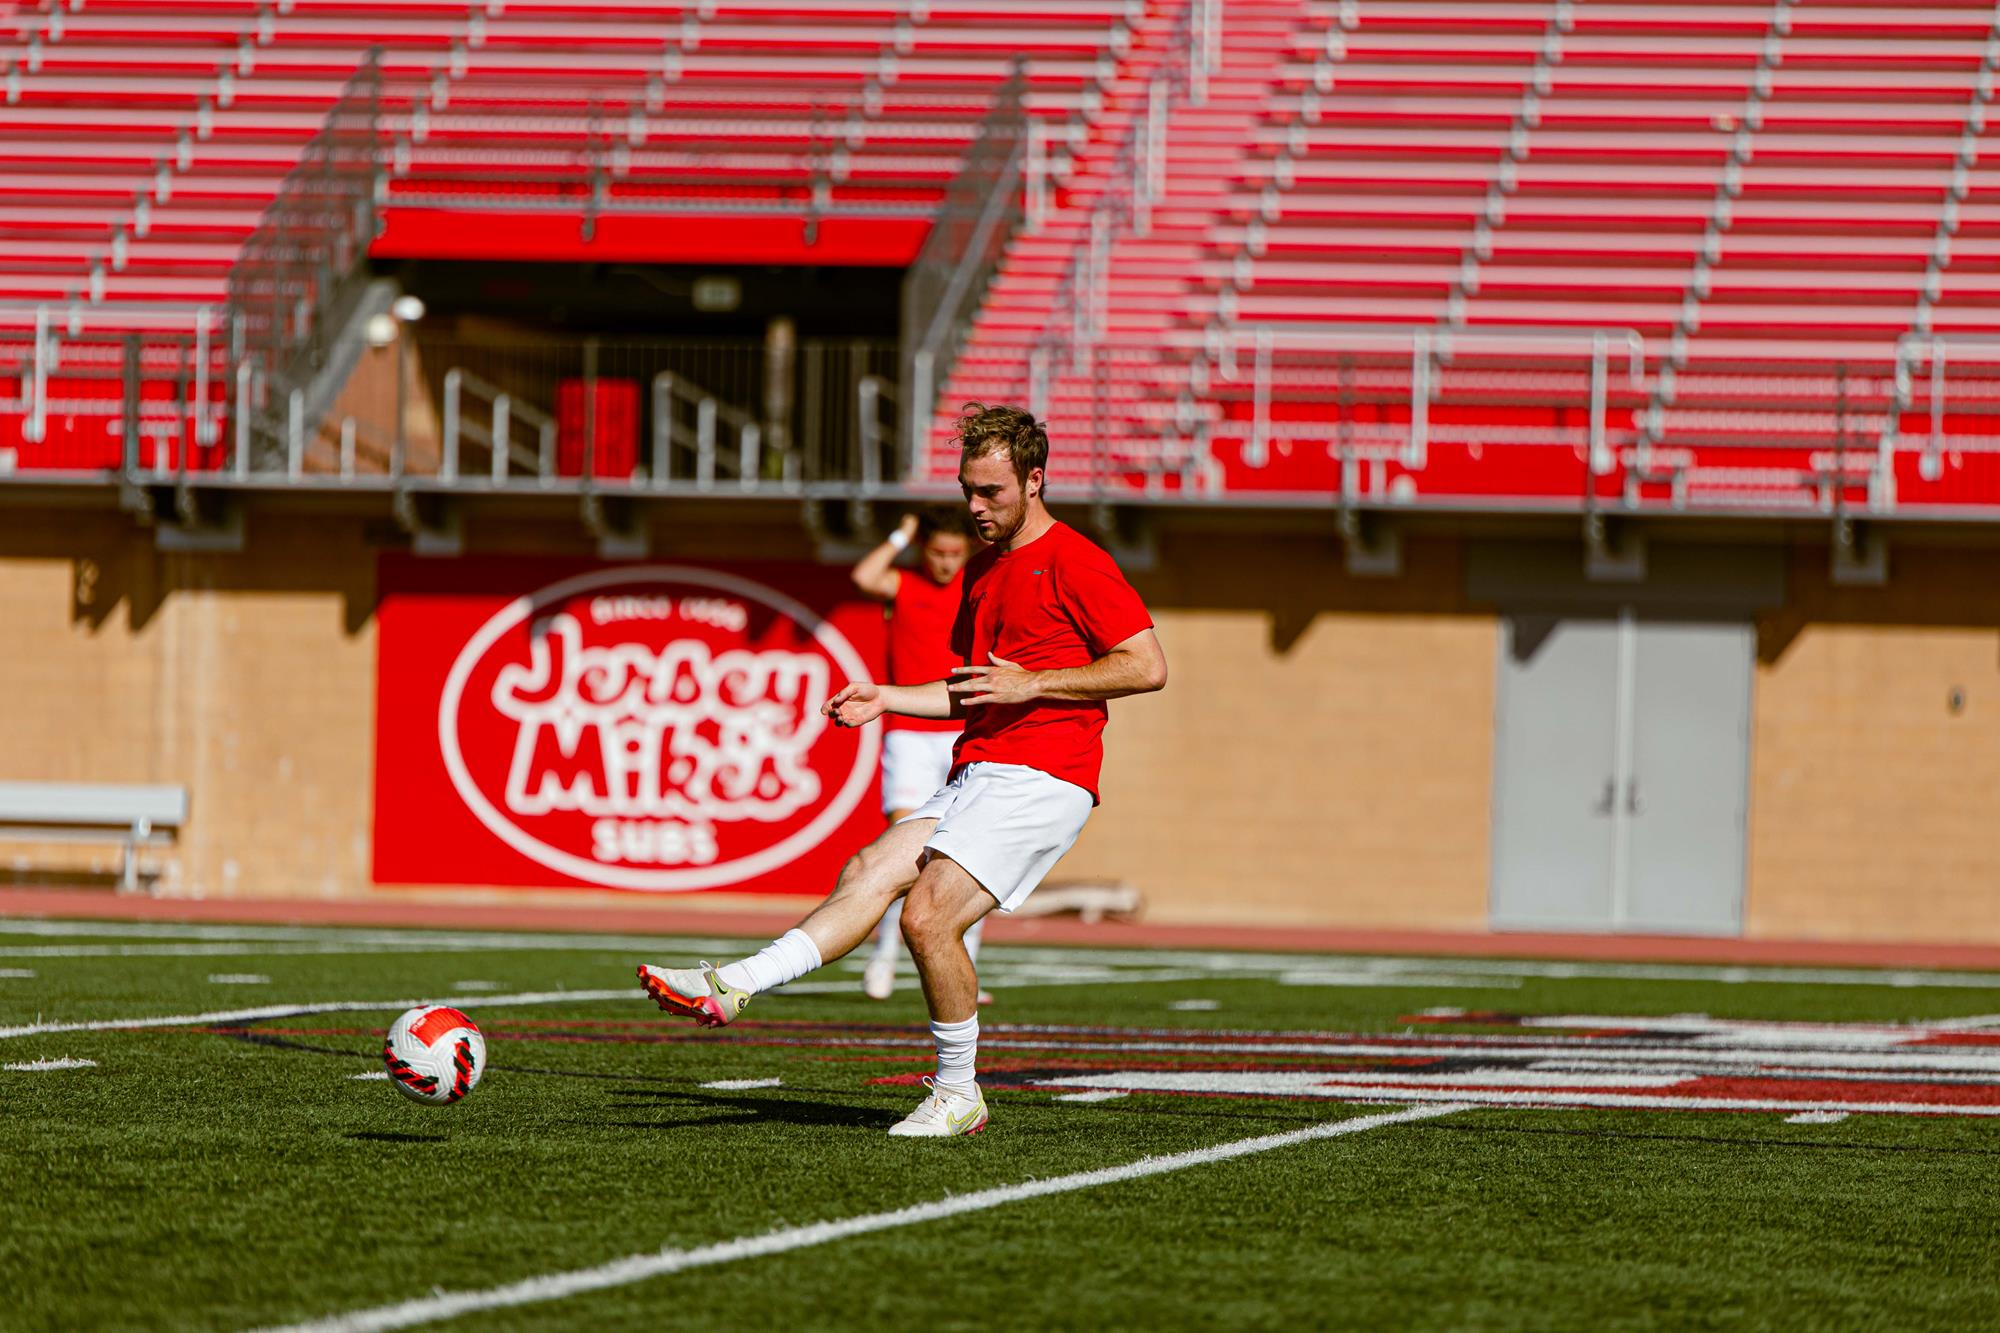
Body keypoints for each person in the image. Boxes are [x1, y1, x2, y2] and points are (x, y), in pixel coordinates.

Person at [637, 402, 1167, 1138]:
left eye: (993, 493)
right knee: (869, 867)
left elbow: (1147, 666)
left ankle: (958, 1093)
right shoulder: (982, 573)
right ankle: (733, 984)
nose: (976, 508)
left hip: (1045, 774)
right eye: (967, 491)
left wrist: (1035, 683)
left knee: (926, 917)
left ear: (1036, 481)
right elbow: (967, 686)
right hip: (979, 769)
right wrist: (886, 697)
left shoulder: (1079, 561)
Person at [846, 507, 993, 1006]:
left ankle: (963, 963)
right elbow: (864, 575)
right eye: (937, 552)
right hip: (909, 730)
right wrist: (902, 532)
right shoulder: (905, 585)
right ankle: (885, 955)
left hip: (965, 730)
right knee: (907, 850)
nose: (947, 563)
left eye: (956, 553)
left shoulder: (976, 586)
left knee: (968, 854)